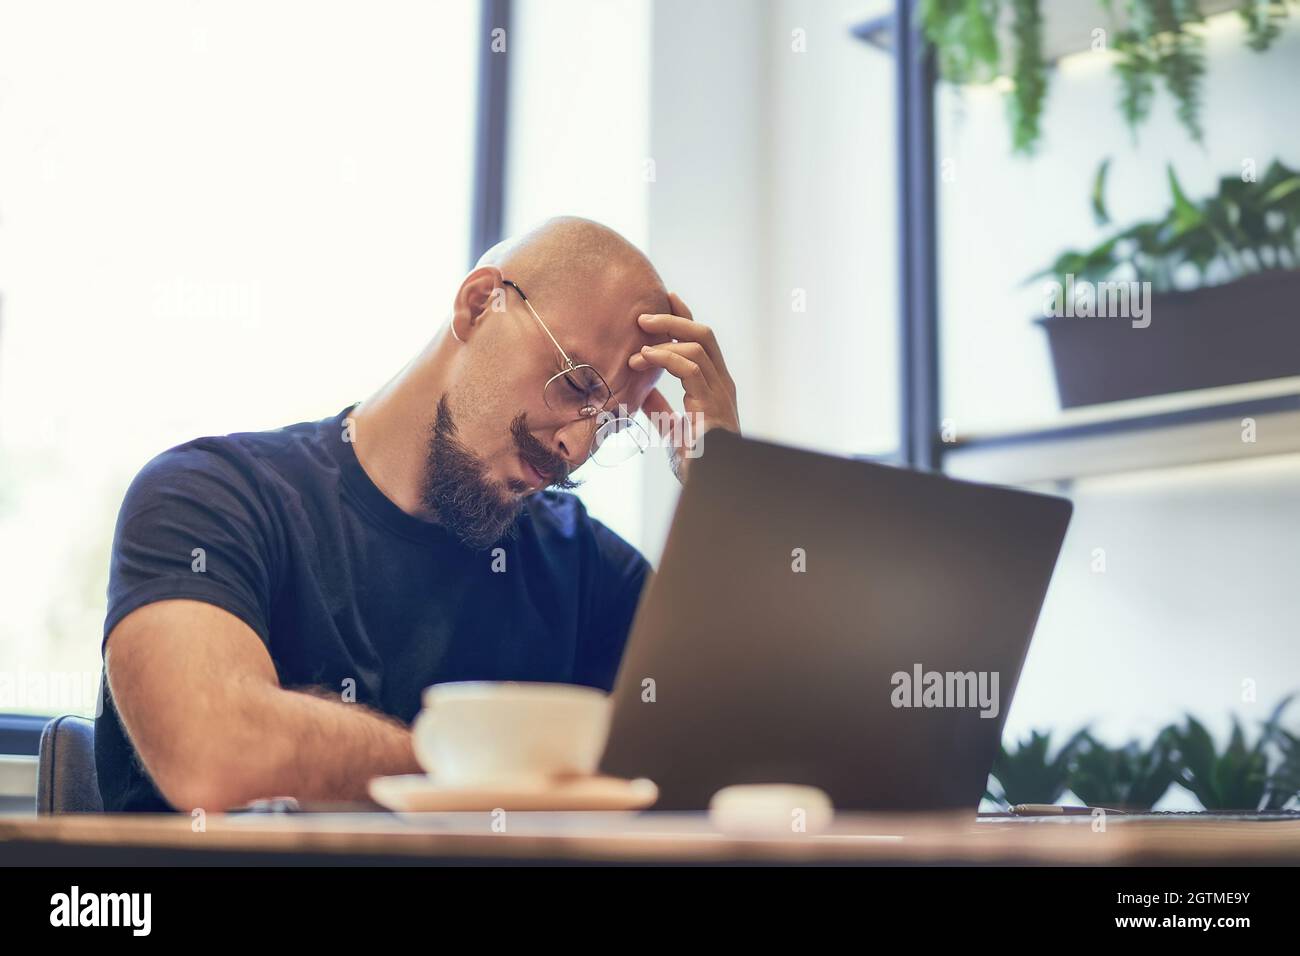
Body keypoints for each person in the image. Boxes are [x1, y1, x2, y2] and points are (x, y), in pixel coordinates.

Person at [95, 217, 741, 811]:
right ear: (479, 304)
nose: (578, 445)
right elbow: (214, 750)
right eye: (576, 385)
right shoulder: (212, 498)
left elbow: (730, 763)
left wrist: (723, 489)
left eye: (612, 424)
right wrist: (488, 782)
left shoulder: (588, 571)